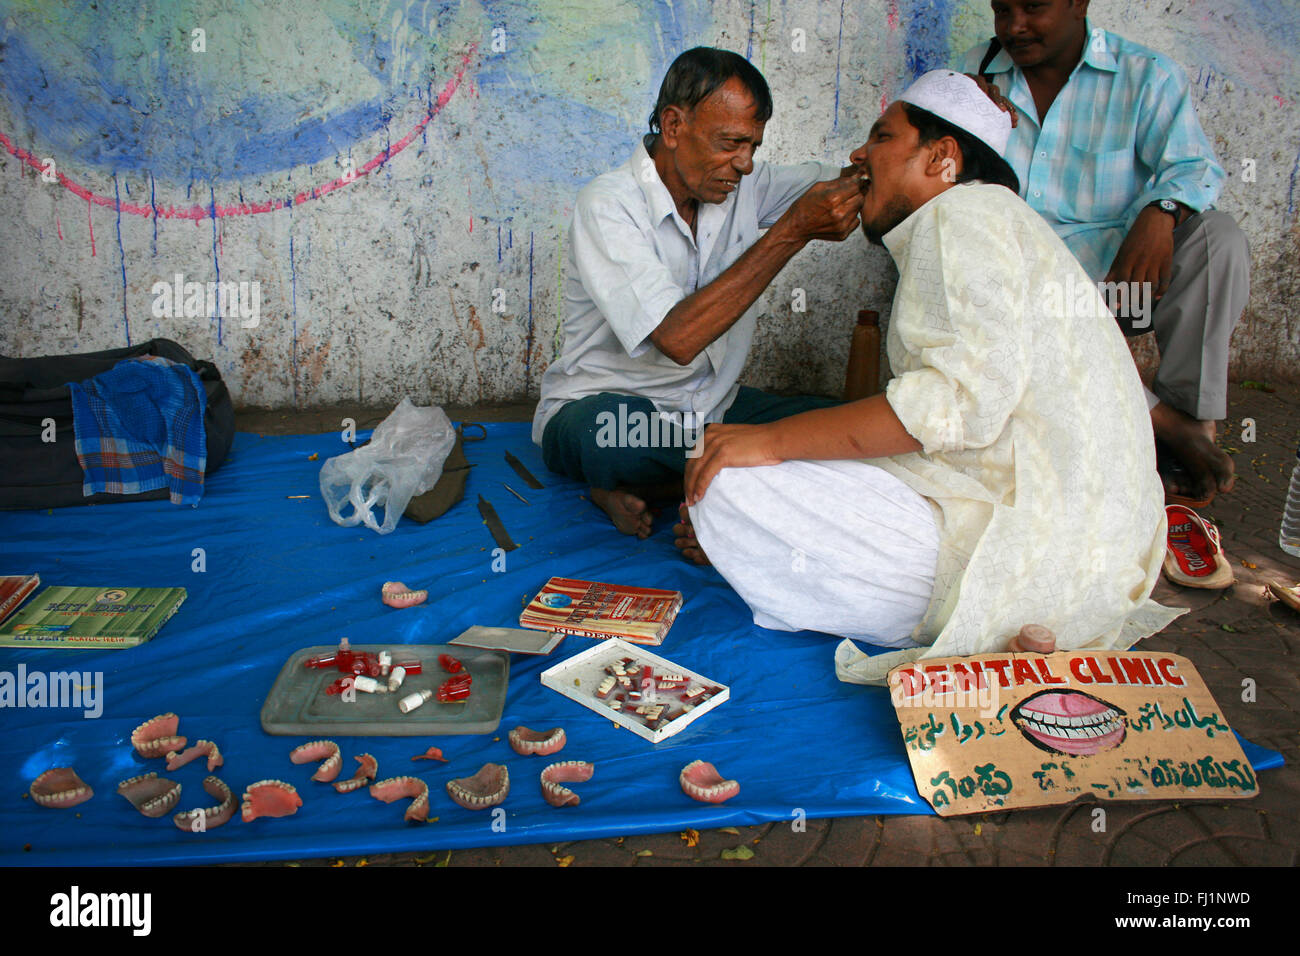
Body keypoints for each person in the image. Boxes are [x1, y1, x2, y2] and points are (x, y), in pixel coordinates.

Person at [675, 70, 1181, 683]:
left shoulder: (961, 216)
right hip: (1090, 553)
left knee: (729, 478)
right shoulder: (992, 219)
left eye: (881, 138)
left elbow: (954, 408)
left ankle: (968, 619)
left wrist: (767, 444)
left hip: (1028, 551)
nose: (859, 155)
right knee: (760, 466)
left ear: (942, 157)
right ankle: (771, 550)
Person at [532, 47, 865, 538]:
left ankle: (675, 478)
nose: (746, 164)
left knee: (845, 427)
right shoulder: (608, 205)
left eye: (753, 145)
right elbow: (678, 339)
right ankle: (728, 464)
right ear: (673, 126)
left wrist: (917, 141)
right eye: (730, 142)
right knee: (605, 437)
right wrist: (789, 233)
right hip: (612, 410)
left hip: (712, 409)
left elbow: (844, 184)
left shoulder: (743, 186)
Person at [961, 0, 1249, 506]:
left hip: (1124, 285)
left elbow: (1194, 167)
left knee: (1217, 238)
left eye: (1033, 7)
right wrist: (962, 115)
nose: (1015, 27)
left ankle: (1191, 421)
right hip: (1019, 286)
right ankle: (1163, 424)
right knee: (977, 274)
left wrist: (1161, 211)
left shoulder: (1147, 76)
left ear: (1079, 3)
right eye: (1002, 10)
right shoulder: (979, 73)